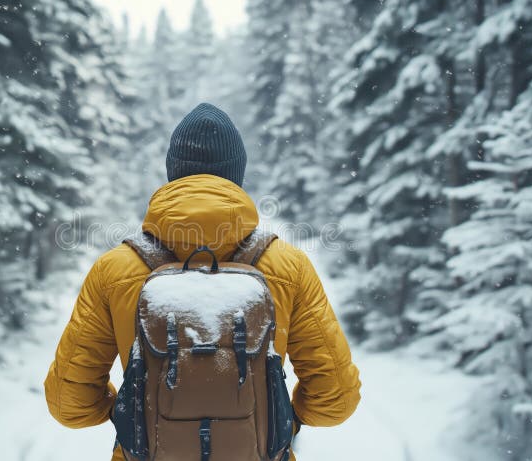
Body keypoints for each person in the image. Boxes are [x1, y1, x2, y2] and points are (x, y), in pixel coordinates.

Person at [44, 103, 361, 460]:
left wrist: (137, 415)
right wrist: (278, 419)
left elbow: (69, 405)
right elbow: (336, 399)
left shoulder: (114, 270)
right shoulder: (289, 268)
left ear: (172, 173)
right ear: (237, 176)